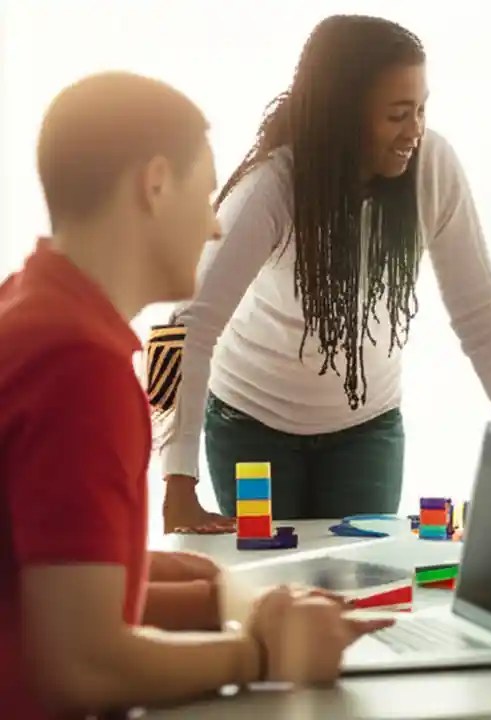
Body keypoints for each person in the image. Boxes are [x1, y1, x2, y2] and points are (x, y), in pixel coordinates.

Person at [0, 72, 391, 720]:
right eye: (207, 194)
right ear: (154, 184)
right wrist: (262, 654)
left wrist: (216, 596)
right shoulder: (78, 367)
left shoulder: (27, 310)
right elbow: (81, 666)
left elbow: (39, 585)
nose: (213, 227)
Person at [157, 15, 491, 531]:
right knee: (269, 572)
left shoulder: (433, 167)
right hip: (250, 424)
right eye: (397, 115)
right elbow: (186, 329)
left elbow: (481, 314)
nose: (415, 131)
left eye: (421, 110)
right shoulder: (273, 187)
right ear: (342, 115)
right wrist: (178, 485)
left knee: (360, 571)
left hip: (366, 429)